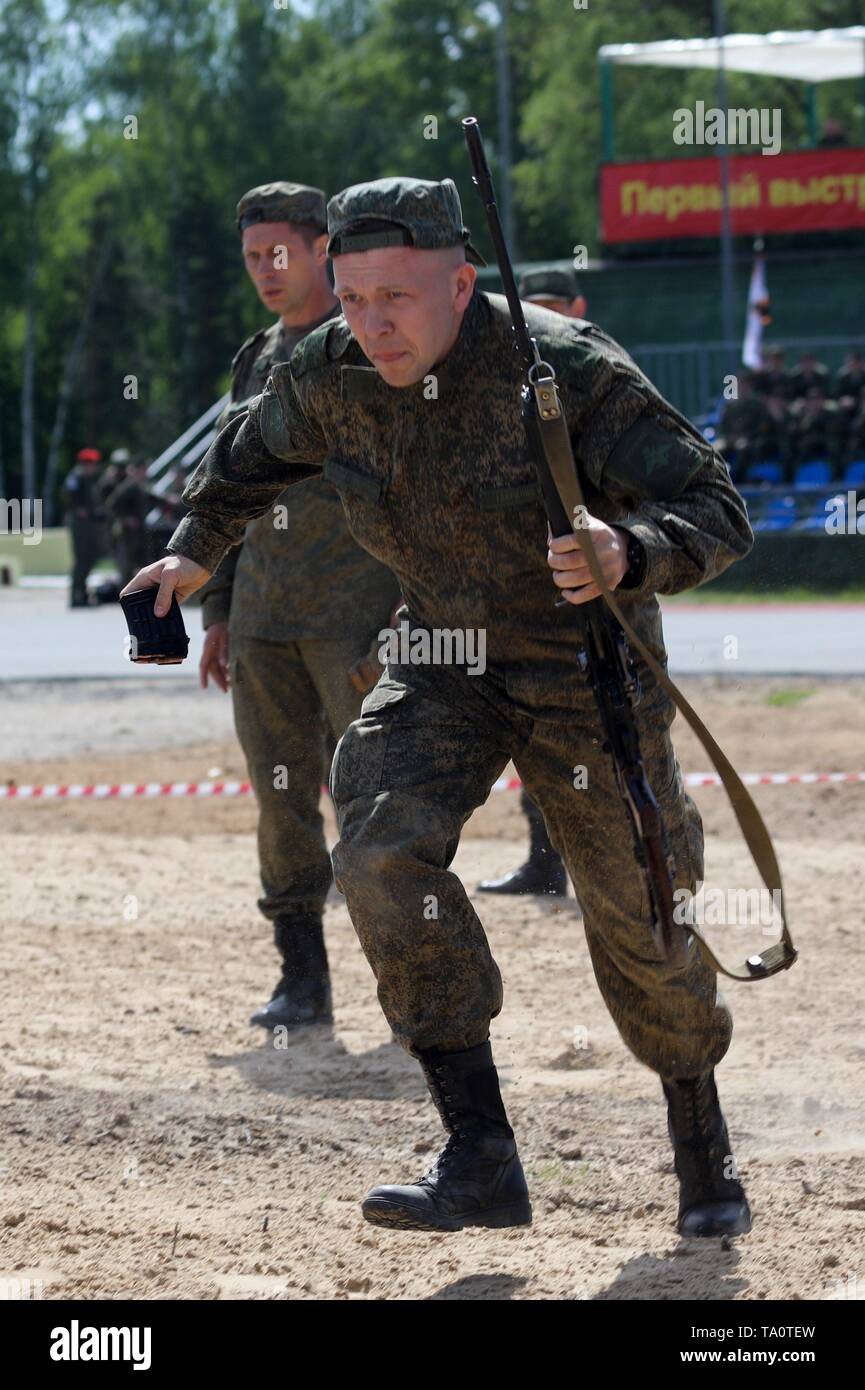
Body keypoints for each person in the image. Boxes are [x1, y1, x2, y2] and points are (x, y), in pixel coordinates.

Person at [124, 175, 755, 1241]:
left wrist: (626, 549)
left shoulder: (565, 369)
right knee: (375, 847)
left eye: (398, 299)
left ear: (463, 284)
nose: (371, 324)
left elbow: (716, 508)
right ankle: (480, 1153)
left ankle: (698, 1128)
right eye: (354, 296)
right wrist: (192, 553)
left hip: (582, 663)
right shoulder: (327, 371)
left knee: (644, 922)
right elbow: (246, 454)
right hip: (444, 654)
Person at [197, 181, 400, 1030]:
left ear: (323, 247)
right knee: (280, 801)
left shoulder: (368, 342)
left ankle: (409, 983)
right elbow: (227, 481)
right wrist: (216, 607)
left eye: (278, 252)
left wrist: (409, 608)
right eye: (250, 258)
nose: (264, 272)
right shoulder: (255, 358)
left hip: (354, 615)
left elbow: (410, 480)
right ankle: (302, 979)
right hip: (264, 623)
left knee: (379, 801)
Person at [477, 264, 586, 897]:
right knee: (527, 735)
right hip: (519, 594)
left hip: (591, 599)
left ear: (576, 306)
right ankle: (544, 862)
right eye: (528, 313)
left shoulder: (600, 379)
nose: (535, 329)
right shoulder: (502, 391)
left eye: (549, 310)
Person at [106, 459, 162, 584]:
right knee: (127, 565)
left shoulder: (140, 486)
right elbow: (111, 504)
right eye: (142, 470)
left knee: (143, 562)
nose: (144, 473)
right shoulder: (127, 487)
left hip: (140, 531)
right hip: (128, 533)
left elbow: (154, 498)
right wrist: (125, 519)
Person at [64, 447, 104, 607]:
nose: (94, 466)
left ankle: (82, 593)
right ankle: (76, 596)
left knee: (88, 557)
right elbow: (69, 493)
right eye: (92, 463)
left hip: (88, 524)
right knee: (81, 558)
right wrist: (77, 508)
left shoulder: (86, 478)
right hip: (80, 524)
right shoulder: (77, 475)